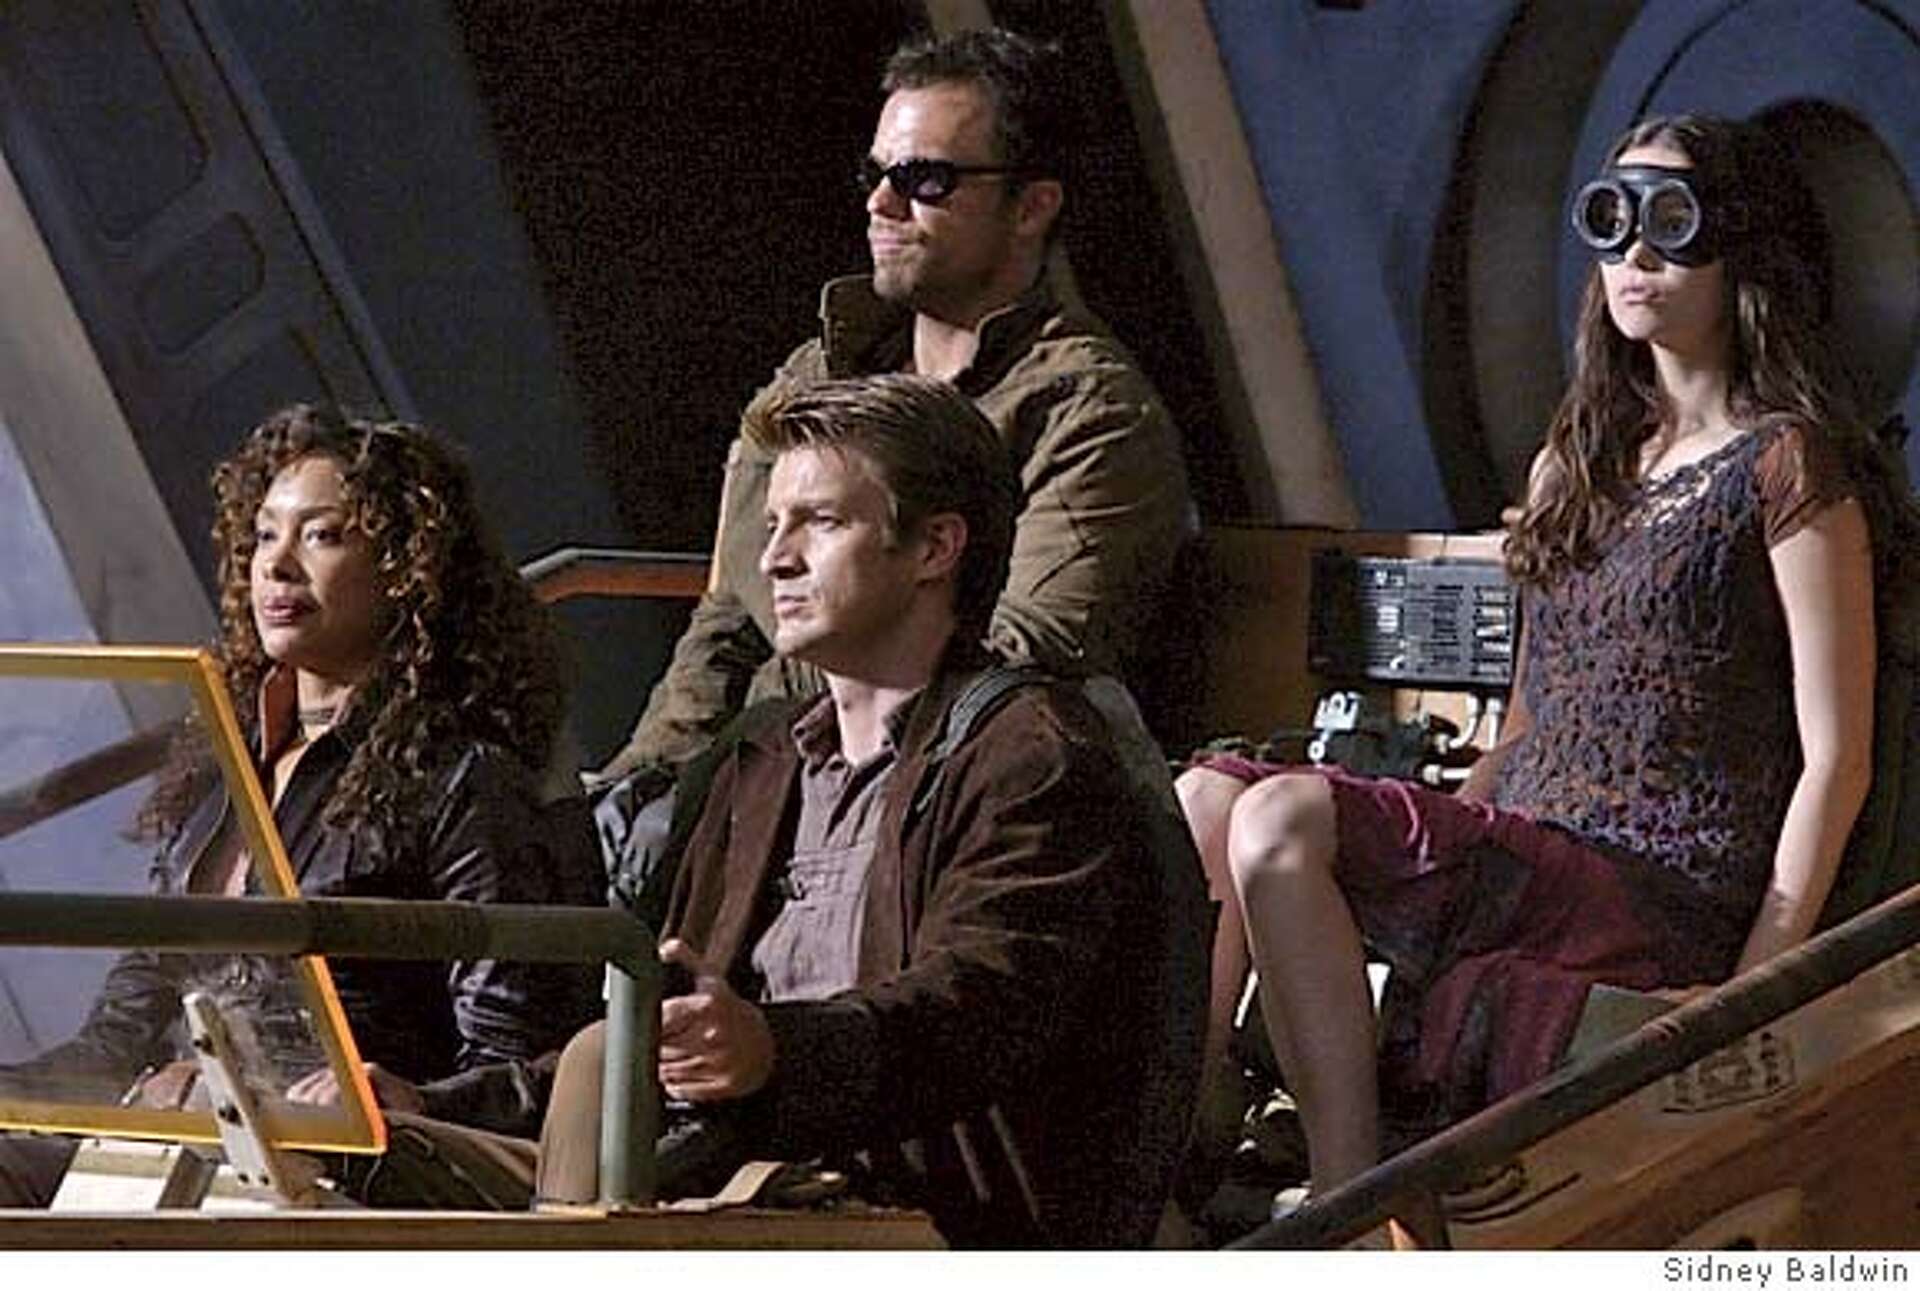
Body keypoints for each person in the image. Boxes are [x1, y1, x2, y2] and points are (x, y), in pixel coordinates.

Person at [1176, 114, 1880, 1199]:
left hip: (1651, 886)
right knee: (1207, 797)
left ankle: (1346, 1198)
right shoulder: (1576, 464)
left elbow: (1837, 757)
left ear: (1739, 245)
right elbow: (1525, 721)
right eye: (1611, 218)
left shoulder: (1783, 463)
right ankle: (1176, 1148)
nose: (1634, 253)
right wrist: (1439, 847)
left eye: (1670, 219)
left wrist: (1753, 989)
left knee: (1280, 818)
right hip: (1525, 851)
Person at [536, 374, 1210, 1247]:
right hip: (713, 1184)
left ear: (934, 547)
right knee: (398, 1159)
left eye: (820, 521)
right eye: (773, 524)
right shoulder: (756, 758)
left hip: (914, 1221)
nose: (775, 559)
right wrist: (432, 1100)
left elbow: (980, 1010)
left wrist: (770, 1050)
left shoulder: (1030, 755)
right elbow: (653, 1030)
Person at [0, 405, 605, 1206]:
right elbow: (119, 1033)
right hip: (186, 1135)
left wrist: (408, 1099)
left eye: (322, 535)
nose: (277, 566)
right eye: (264, 535)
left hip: (348, 1167)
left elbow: (527, 1061)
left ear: (407, 567)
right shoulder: (221, 770)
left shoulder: (467, 780)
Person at [597, 26, 1191, 789]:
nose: (881, 203)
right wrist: (642, 785)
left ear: (1032, 207)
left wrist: (753, 765)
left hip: (921, 795)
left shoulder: (1089, 411)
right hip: (763, 781)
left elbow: (1022, 662)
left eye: (924, 180)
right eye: (876, 174)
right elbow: (728, 621)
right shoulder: (819, 373)